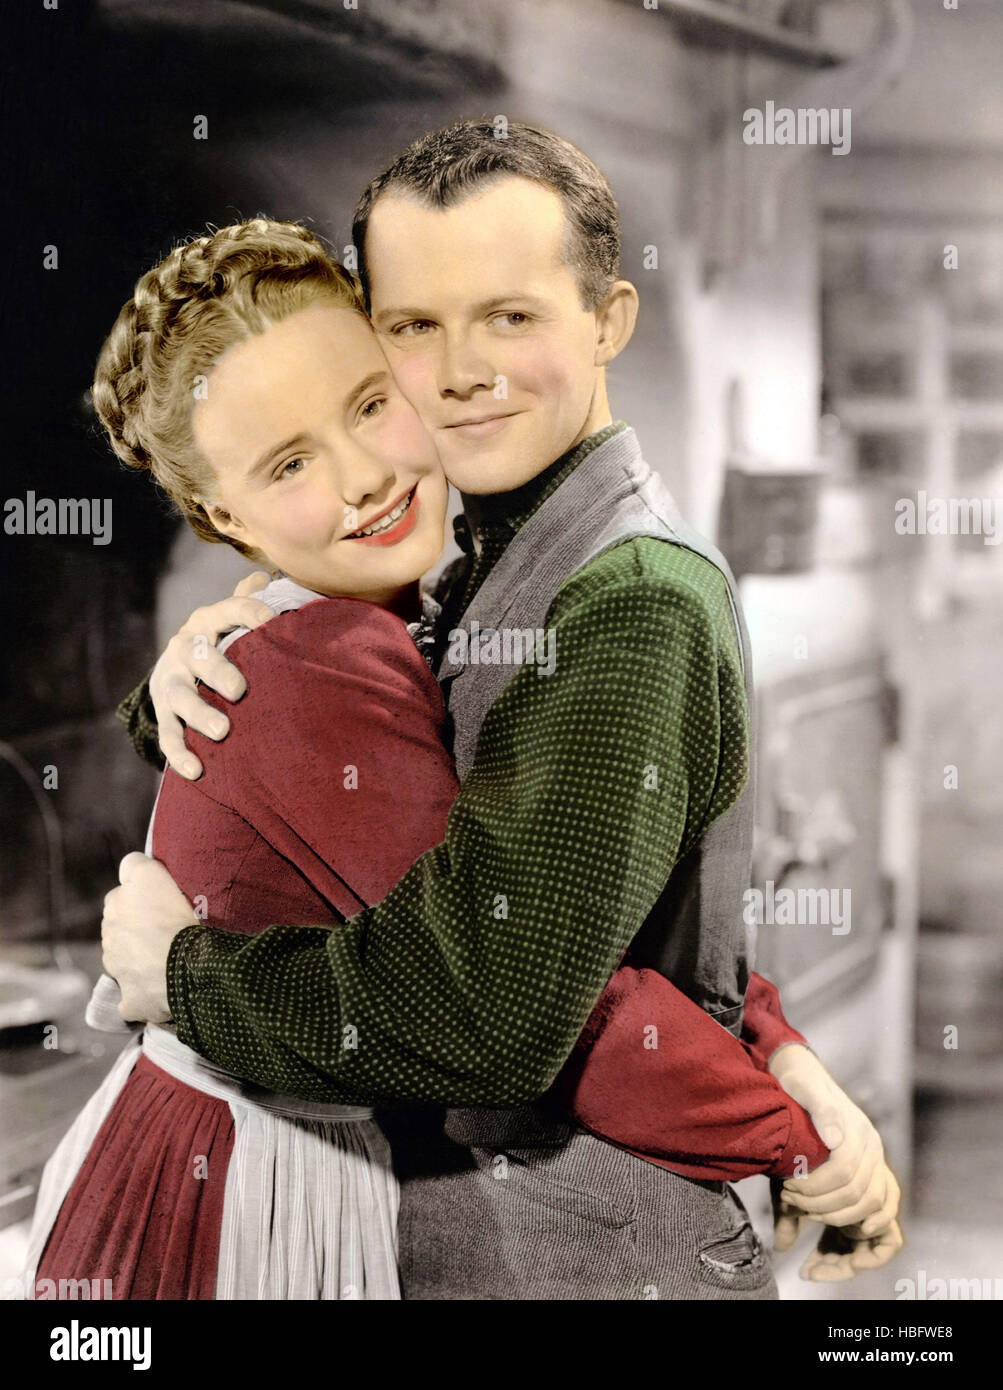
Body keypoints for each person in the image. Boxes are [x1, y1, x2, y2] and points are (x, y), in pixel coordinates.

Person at [102, 123, 903, 1299]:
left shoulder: (622, 604)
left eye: (510, 316)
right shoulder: (467, 555)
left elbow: (490, 1000)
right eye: (414, 327)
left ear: (609, 321)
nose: (460, 369)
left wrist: (187, 976)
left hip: (599, 1239)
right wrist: (193, 672)